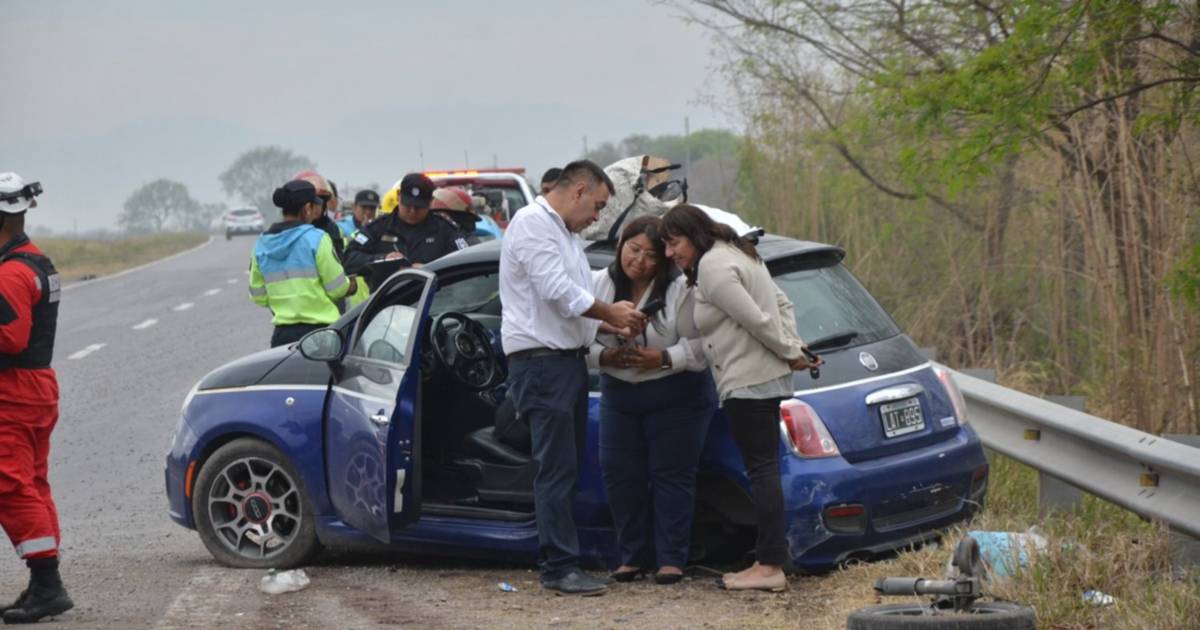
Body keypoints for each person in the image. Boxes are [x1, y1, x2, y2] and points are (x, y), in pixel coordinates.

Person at [500, 159, 647, 596]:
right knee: (557, 470)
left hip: (562, 361)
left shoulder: (563, 233)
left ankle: (565, 560)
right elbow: (557, 291)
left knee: (566, 466)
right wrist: (609, 311)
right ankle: (558, 566)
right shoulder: (533, 225)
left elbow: (563, 306)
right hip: (542, 364)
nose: (598, 217)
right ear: (579, 190)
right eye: (598, 206)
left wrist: (606, 326)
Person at [660, 204, 821, 593]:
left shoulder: (714, 265)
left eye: (674, 242)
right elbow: (782, 305)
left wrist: (790, 351)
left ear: (694, 234)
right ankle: (768, 561)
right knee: (765, 470)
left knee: (761, 472)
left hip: (748, 380)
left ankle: (768, 566)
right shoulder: (741, 252)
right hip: (763, 378)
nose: (669, 253)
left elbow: (756, 319)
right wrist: (793, 346)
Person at [587, 216, 714, 585]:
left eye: (651, 255)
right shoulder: (597, 284)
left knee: (671, 476)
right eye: (633, 249)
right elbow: (575, 340)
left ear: (665, 259)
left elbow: (702, 345)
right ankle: (631, 557)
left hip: (676, 393)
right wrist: (603, 358)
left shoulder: (680, 288)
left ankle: (671, 560)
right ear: (620, 245)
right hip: (618, 391)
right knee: (619, 474)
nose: (639, 261)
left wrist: (662, 357)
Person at [0, 172, 73, 623]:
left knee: (8, 485)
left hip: (14, 389)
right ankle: (43, 583)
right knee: (33, 483)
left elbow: (9, 336)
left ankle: (48, 586)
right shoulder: (36, 262)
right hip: (35, 385)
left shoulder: (10, 273)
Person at [249, 180, 356, 347]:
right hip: (321, 335)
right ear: (307, 208)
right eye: (315, 205)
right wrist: (352, 285)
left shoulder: (261, 244)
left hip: (282, 336)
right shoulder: (317, 239)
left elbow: (259, 297)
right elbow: (337, 289)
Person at [342, 173, 468, 288]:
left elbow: (465, 262)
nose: (412, 211)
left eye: (419, 207)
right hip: (387, 304)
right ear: (398, 197)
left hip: (434, 303)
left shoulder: (444, 229)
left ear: (430, 202)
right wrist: (384, 260)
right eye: (407, 205)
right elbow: (349, 260)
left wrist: (431, 269)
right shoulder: (378, 228)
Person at [293, 170, 346, 259]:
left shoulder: (331, 228)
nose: (316, 207)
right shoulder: (286, 231)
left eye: (320, 201)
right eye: (312, 202)